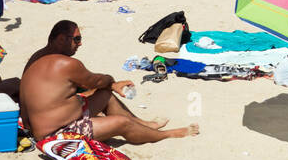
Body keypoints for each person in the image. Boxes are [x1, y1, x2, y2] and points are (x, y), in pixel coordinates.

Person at [19, 21, 198, 143]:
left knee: (106, 96)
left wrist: (110, 87)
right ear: (60, 39)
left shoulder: (37, 57)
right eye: (77, 39)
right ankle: (166, 135)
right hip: (55, 133)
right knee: (122, 123)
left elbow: (88, 86)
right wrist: (112, 81)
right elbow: (95, 81)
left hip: (41, 123)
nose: (80, 44)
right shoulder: (67, 64)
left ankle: (146, 125)